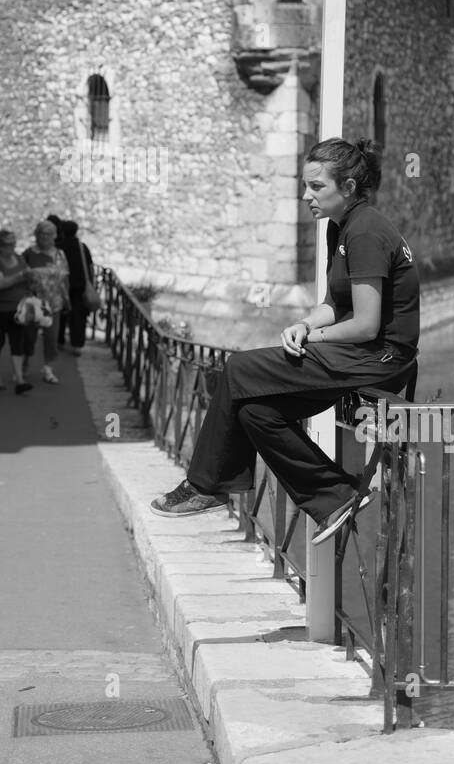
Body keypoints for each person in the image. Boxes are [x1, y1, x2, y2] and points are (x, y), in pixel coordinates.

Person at [152, 139, 420, 544]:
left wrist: (314, 337)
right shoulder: (342, 226)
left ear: (347, 187)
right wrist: (304, 323)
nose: (305, 196)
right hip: (358, 352)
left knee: (240, 368)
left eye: (316, 187)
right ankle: (336, 496)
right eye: (304, 185)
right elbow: (336, 302)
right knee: (255, 412)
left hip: (379, 357)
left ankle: (205, 486)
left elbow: (366, 324)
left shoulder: (365, 231)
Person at [0, 230, 33, 394]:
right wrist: (21, 276)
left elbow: (28, 276)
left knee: (17, 343)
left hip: (17, 309)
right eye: (8, 244)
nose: (12, 247)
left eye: (13, 243)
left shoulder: (18, 258)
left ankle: (19, 380)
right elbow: (0, 283)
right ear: (0, 246)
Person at [21, 221, 70, 384]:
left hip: (53, 302)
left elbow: (64, 277)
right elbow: (21, 274)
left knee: (51, 337)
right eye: (42, 234)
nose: (45, 237)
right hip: (33, 301)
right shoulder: (29, 254)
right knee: (28, 336)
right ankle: (25, 363)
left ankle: (48, 368)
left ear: (54, 236)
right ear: (36, 235)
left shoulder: (60, 254)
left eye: (49, 234)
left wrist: (66, 298)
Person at [58, 220, 95, 355]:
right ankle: (77, 344)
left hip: (62, 285)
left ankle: (60, 340)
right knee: (79, 315)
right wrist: (92, 283)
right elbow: (90, 267)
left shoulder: (59, 247)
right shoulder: (82, 247)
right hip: (80, 285)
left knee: (62, 312)